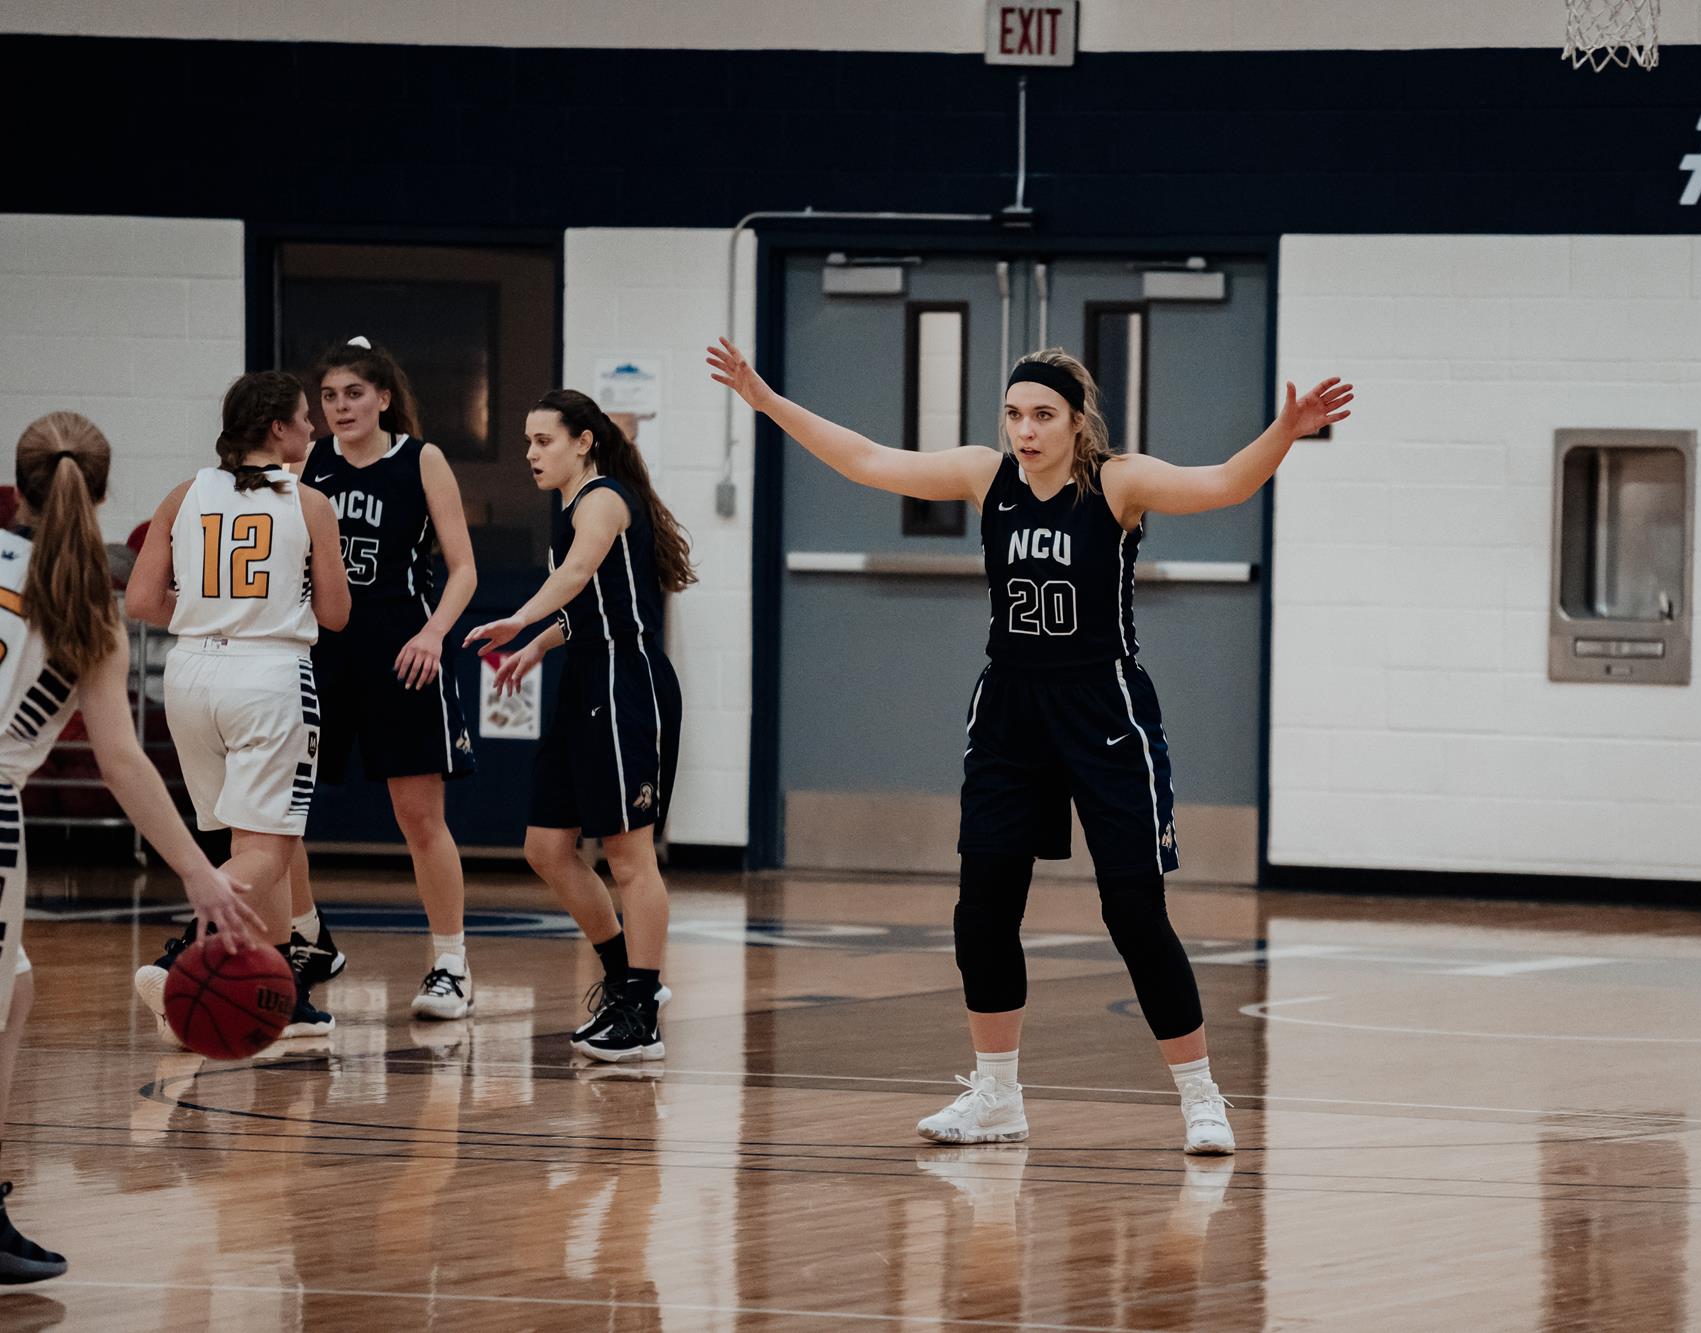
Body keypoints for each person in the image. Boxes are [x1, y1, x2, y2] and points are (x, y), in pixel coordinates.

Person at [707, 335, 1352, 1154]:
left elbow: (1227, 483)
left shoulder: (1119, 483)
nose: (1025, 430)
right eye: (1014, 413)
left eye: (1042, 414)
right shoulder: (987, 477)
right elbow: (869, 459)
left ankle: (1201, 1098)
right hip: (1011, 712)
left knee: (1134, 914)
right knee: (982, 913)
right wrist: (766, 401)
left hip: (1104, 712)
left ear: (1079, 422)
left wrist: (1283, 432)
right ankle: (997, 1097)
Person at [5, 411, 262, 1281]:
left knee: (17, 993)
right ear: (102, 491)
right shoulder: (83, 608)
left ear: (19, 485)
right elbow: (122, 761)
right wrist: (199, 871)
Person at [466, 390, 691, 1063]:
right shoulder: (574, 504)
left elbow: (578, 572)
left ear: (583, 441)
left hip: (629, 684)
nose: (532, 453)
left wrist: (519, 619)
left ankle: (642, 1007)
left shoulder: (602, 499)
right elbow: (594, 602)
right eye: (529, 441)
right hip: (586, 681)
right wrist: (541, 645)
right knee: (545, 845)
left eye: (544, 440)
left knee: (629, 855)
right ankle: (626, 975)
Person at [127, 372, 353, 1040]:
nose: (315, 429)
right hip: (268, 673)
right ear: (278, 429)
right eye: (306, 418)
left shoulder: (183, 493)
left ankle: (283, 992)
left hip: (191, 671)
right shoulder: (310, 503)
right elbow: (337, 614)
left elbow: (140, 602)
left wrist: (206, 617)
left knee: (259, 840)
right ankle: (182, 964)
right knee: (264, 850)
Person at [290, 338, 481, 1020]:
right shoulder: (308, 462)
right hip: (323, 648)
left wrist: (433, 633)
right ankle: (308, 938)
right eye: (330, 396)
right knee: (279, 809)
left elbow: (464, 568)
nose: (340, 406)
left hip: (403, 646)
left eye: (353, 394)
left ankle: (450, 964)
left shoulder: (420, 459)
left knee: (419, 815)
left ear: (383, 398)